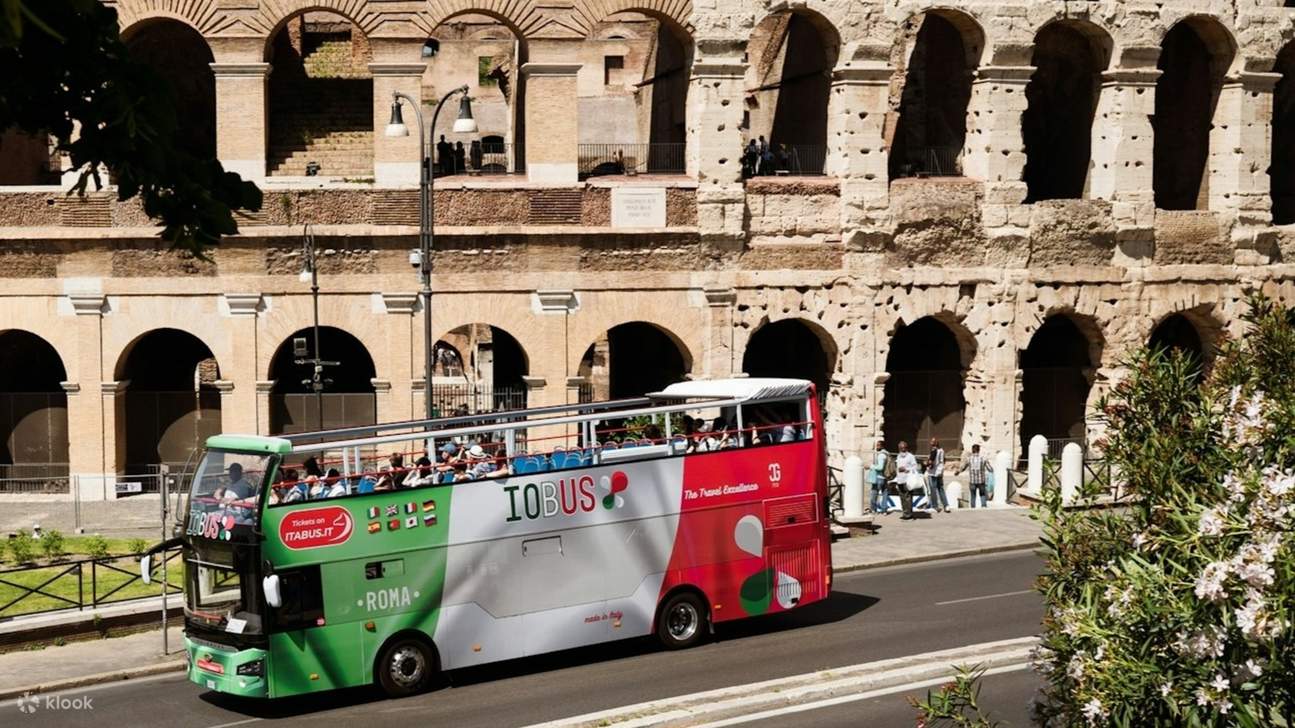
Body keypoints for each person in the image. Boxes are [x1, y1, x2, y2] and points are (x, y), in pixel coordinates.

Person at [892, 441, 919, 519]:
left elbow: (915, 467)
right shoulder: (898, 456)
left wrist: (906, 469)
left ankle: (908, 515)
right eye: (901, 448)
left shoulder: (910, 456)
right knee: (902, 497)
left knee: (908, 497)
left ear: (906, 448)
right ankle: (905, 513)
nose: (902, 449)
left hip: (908, 480)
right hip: (900, 479)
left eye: (904, 448)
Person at [959, 444, 990, 508]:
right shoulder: (983, 459)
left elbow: (963, 468)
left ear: (972, 450)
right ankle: (983, 506)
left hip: (972, 481)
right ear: (979, 450)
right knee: (982, 494)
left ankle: (973, 508)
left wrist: (958, 471)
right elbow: (990, 469)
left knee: (973, 496)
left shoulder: (969, 459)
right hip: (981, 481)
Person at [926, 438, 948, 513]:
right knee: (941, 489)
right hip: (940, 472)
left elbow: (930, 462)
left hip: (933, 473)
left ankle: (935, 506)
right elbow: (944, 460)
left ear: (935, 443)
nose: (930, 442)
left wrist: (925, 463)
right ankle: (946, 505)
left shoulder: (934, 450)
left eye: (932, 441)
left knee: (933, 489)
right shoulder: (942, 451)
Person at [869, 440, 889, 515]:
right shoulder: (887, 454)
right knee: (885, 494)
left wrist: (872, 466)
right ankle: (884, 510)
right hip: (885, 477)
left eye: (878, 445)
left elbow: (880, 467)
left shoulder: (881, 455)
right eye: (877, 445)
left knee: (874, 493)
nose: (877, 447)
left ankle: (873, 509)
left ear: (882, 446)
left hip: (879, 477)